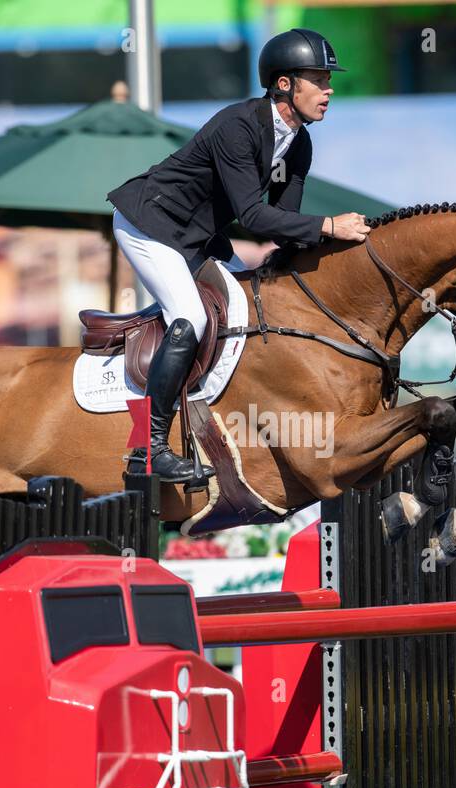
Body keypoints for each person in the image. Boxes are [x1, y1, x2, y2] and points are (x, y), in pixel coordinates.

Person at [107, 28, 371, 482]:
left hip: (196, 237)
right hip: (149, 224)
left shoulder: (299, 143)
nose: (329, 90)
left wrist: (343, 247)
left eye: (329, 81)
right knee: (191, 317)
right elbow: (253, 216)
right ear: (285, 84)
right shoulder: (239, 126)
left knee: (249, 312)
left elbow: (285, 226)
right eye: (319, 80)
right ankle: (146, 451)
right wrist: (329, 225)